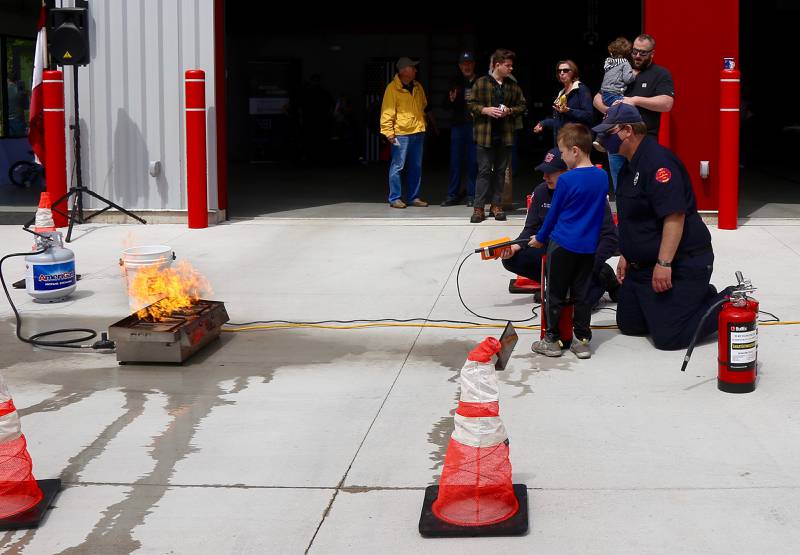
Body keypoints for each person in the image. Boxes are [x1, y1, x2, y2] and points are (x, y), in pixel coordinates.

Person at [593, 103, 728, 350]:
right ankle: (687, 300)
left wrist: (664, 263)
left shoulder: (658, 163)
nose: (602, 139)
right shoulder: (628, 167)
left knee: (669, 338)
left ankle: (727, 301)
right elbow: (633, 219)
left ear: (626, 130)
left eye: (608, 133)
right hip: (641, 266)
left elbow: (674, 217)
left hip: (681, 262)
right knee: (630, 325)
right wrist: (626, 253)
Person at [528, 124, 610, 359]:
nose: (562, 157)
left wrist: (540, 238)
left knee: (555, 293)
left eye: (563, 152)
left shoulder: (566, 180)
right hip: (587, 247)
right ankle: (582, 341)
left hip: (562, 244)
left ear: (575, 150)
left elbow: (553, 215)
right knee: (582, 294)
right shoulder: (602, 177)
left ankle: (552, 340)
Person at [500, 148, 619, 307]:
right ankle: (558, 283)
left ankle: (603, 275)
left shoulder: (589, 192)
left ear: (567, 172)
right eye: (543, 171)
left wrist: (592, 266)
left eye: (550, 172)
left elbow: (609, 237)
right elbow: (531, 228)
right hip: (554, 251)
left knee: (577, 306)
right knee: (511, 259)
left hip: (583, 255)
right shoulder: (541, 191)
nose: (544, 176)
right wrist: (515, 246)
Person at [593, 33, 674, 191]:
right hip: (616, 140)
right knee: (620, 189)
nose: (637, 56)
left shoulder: (660, 74)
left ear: (652, 53)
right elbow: (597, 97)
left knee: (644, 189)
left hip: (643, 142)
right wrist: (611, 110)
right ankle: (624, 216)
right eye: (634, 51)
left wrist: (635, 100)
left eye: (643, 53)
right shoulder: (620, 67)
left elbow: (667, 103)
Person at [467, 48, 526, 223]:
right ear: (497, 65)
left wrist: (510, 110)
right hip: (485, 135)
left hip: (505, 135)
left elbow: (522, 105)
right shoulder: (481, 82)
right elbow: (471, 104)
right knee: (484, 171)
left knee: (500, 172)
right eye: (507, 65)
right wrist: (485, 109)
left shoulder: (512, 85)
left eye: (511, 65)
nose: (510, 68)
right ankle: (479, 208)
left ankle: (496, 205)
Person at [380, 56, 429, 209]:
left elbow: (423, 106)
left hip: (418, 132)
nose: (415, 70)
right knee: (398, 166)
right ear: (403, 70)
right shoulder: (392, 88)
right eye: (412, 67)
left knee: (416, 167)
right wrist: (389, 132)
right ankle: (395, 198)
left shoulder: (418, 87)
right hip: (401, 134)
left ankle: (414, 197)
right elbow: (387, 112)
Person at [441, 52, 478, 207]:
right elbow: (444, 105)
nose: (466, 66)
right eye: (463, 64)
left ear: (473, 64)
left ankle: (472, 195)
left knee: (473, 162)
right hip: (457, 126)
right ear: (459, 66)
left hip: (475, 126)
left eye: (469, 63)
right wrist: (450, 100)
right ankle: (452, 194)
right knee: (455, 162)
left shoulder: (480, 81)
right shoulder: (454, 82)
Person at [533, 60, 593, 147]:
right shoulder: (561, 93)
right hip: (563, 139)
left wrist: (568, 111)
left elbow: (588, 115)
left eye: (565, 70)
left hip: (577, 139)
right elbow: (560, 121)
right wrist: (543, 123)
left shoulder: (580, 89)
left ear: (573, 72)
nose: (561, 73)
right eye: (559, 71)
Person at [600, 37, 635, 108]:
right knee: (629, 105)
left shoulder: (609, 62)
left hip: (604, 95)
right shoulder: (625, 63)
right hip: (614, 95)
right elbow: (627, 79)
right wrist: (633, 74)